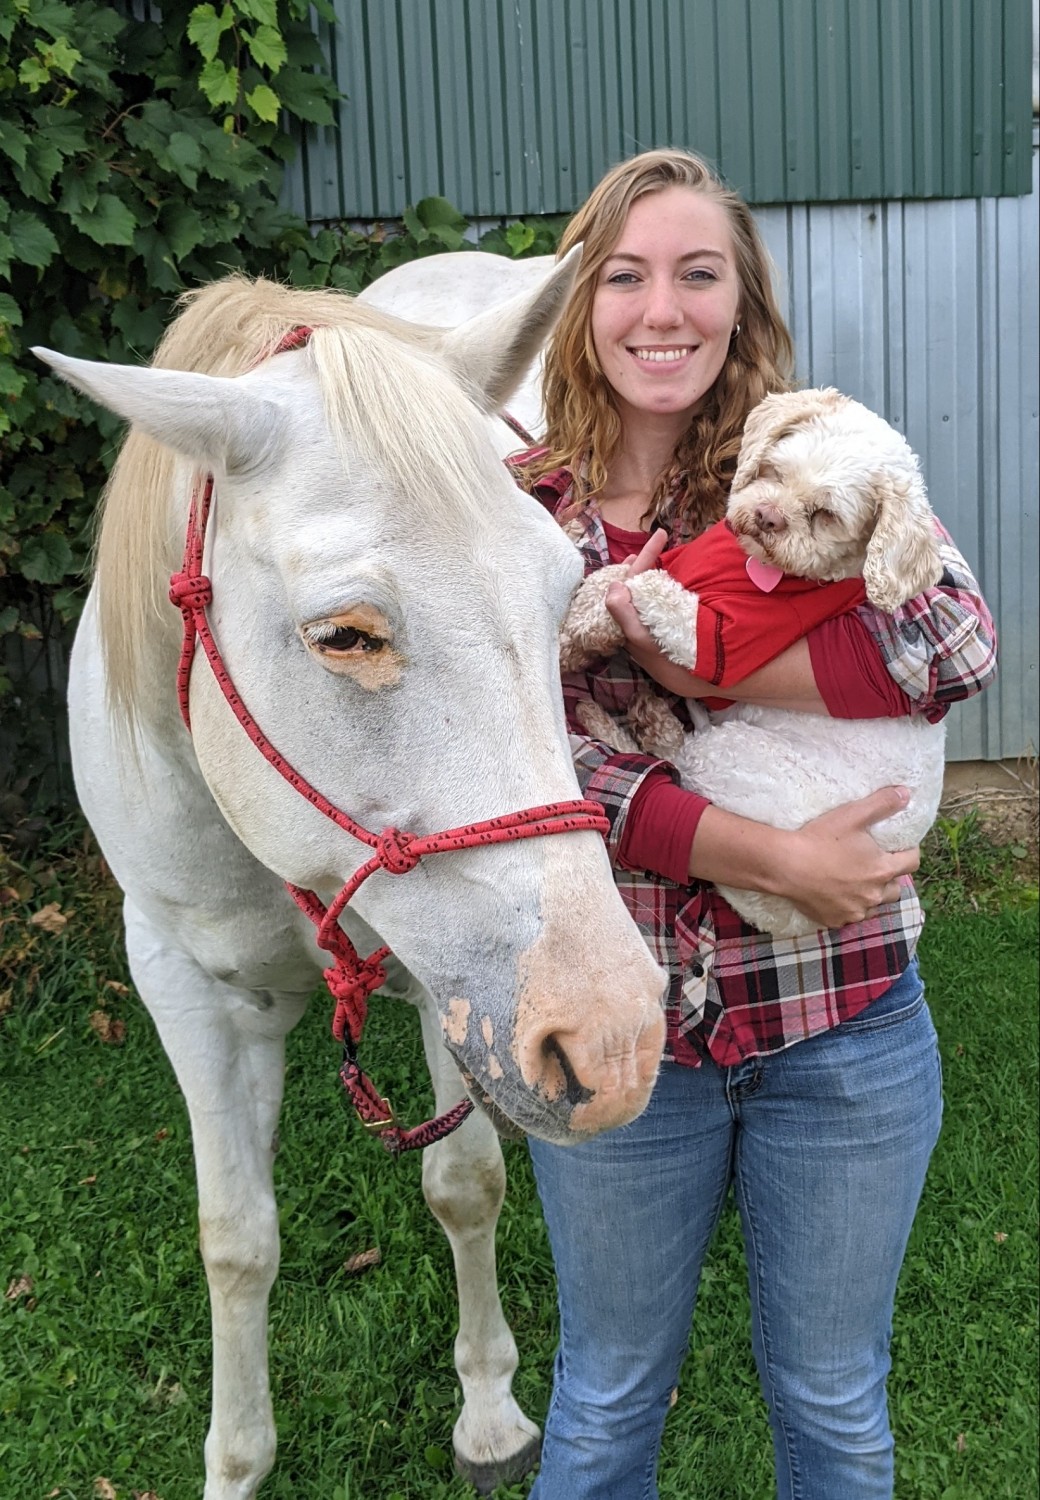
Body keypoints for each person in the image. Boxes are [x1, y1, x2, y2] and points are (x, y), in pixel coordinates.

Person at [509, 148, 997, 1500]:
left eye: (697, 274)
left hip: (842, 1024)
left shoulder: (801, 447)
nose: (661, 310)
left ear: (741, 301)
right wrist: (768, 856)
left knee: (837, 1411)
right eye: (625, 276)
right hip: (621, 1030)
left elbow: (956, 639)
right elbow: (537, 767)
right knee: (606, 1401)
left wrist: (695, 666)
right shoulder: (518, 505)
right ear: (579, 300)